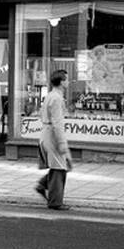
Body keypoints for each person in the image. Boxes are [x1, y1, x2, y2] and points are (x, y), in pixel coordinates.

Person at [34, 69, 72, 210]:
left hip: (46, 132)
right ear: (61, 82)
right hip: (52, 134)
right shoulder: (56, 98)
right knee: (59, 168)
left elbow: (42, 115)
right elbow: (57, 123)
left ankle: (42, 185)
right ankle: (55, 202)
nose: (68, 82)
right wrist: (62, 143)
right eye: (66, 79)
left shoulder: (51, 95)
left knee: (59, 166)